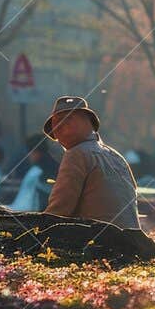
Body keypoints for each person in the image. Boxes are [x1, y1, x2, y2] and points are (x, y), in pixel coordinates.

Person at [42, 95, 140, 228]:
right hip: (133, 236)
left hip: (100, 238)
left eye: (67, 120)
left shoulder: (76, 154)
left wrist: (38, 232)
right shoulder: (116, 157)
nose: (58, 128)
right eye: (56, 123)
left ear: (86, 122)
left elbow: (59, 210)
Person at [8, 144, 52, 212]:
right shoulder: (35, 170)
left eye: (33, 153)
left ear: (39, 153)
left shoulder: (37, 171)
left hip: (27, 209)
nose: (30, 156)